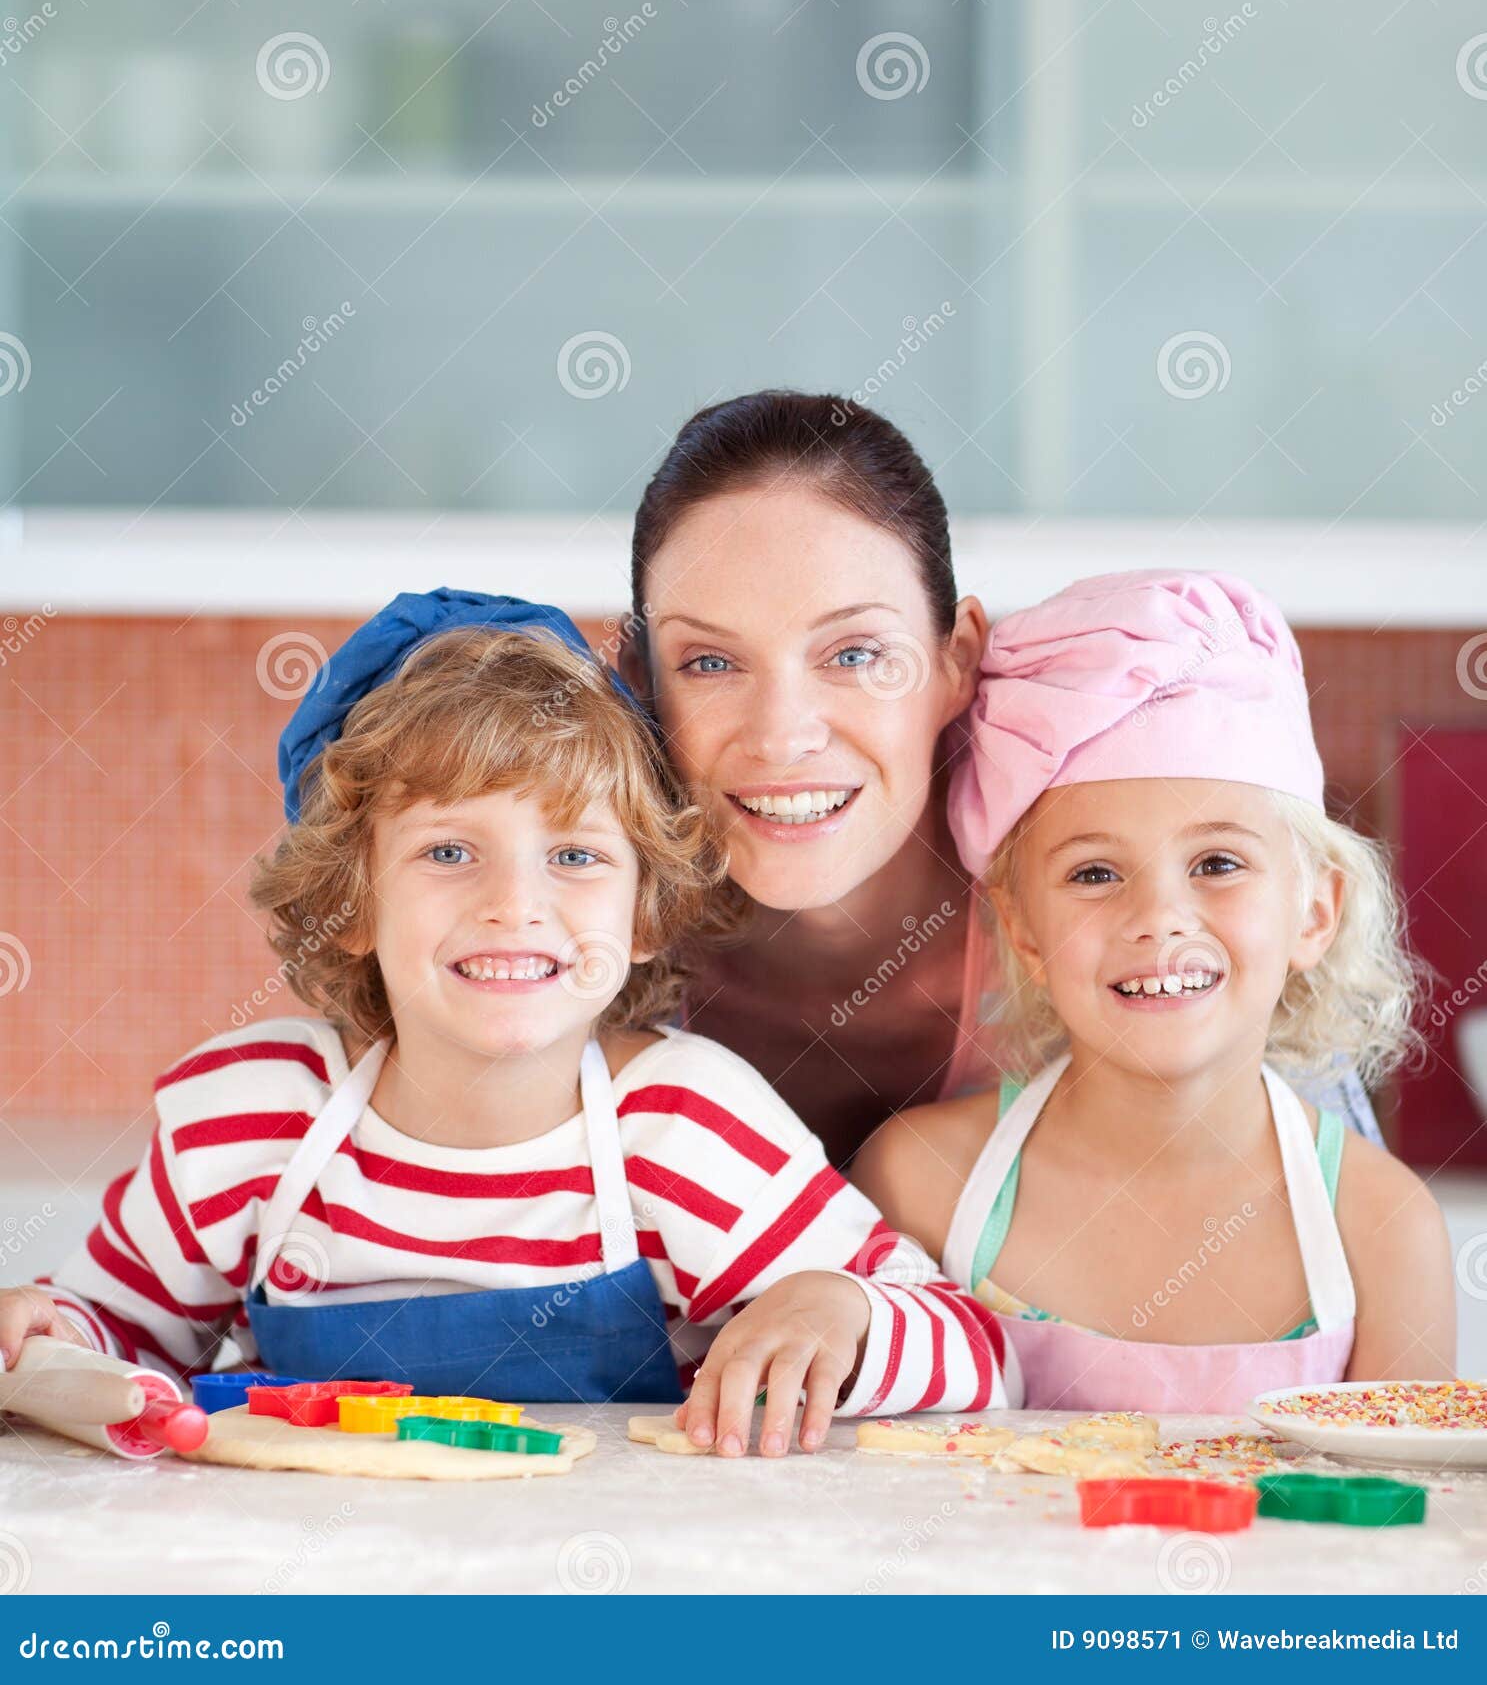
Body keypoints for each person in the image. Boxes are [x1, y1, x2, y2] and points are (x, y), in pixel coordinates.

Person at [4, 591, 1018, 1457]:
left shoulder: (674, 1128)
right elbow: (114, 1342)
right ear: (350, 901)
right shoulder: (249, 1121)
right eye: (449, 852)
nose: (514, 904)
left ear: (645, 908)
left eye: (574, 855)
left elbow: (977, 1352)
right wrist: (39, 1337)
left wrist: (839, 1310)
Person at [623, 390, 1384, 1167]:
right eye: (709, 662)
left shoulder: (1118, 913)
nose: (781, 736)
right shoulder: (578, 929)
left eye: (855, 655)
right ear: (643, 682)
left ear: (955, 661)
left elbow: (1322, 1232)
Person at [853, 570, 1454, 1409]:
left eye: (1217, 863)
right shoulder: (921, 1182)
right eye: (1094, 873)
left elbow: (1394, 1523)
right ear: (1022, 931)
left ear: (1313, 912)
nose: (1159, 918)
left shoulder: (1382, 1229)